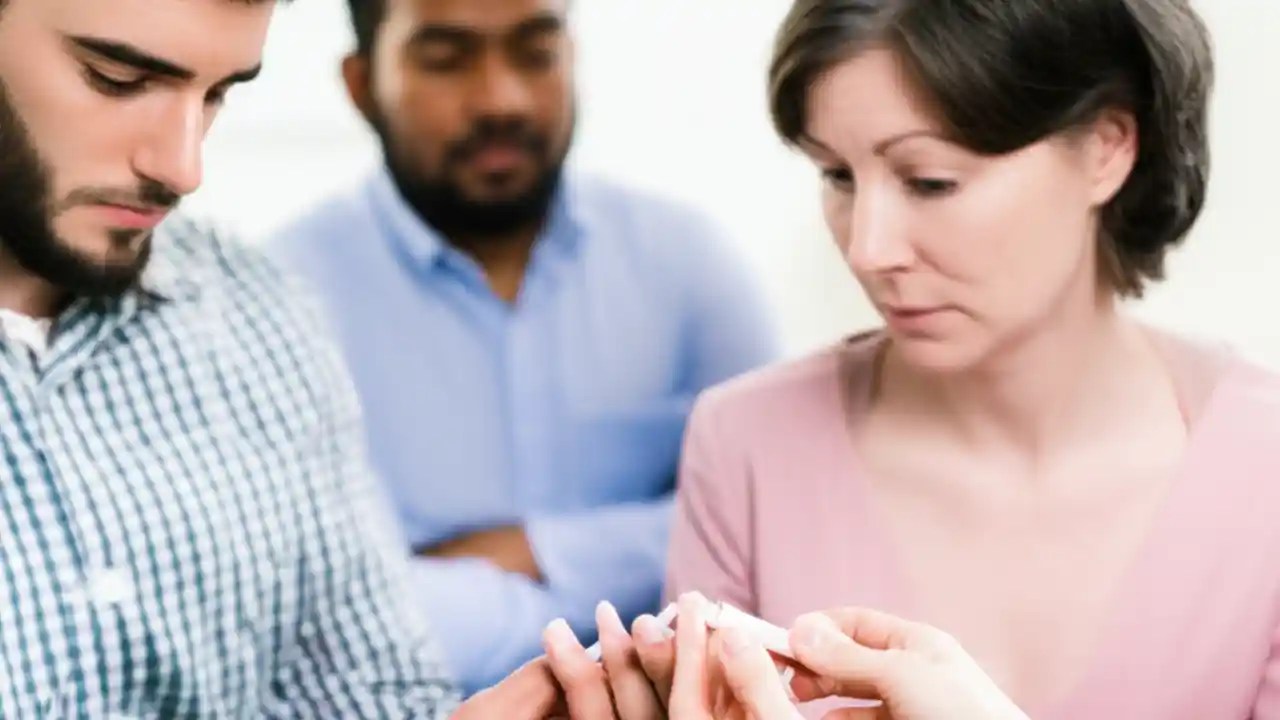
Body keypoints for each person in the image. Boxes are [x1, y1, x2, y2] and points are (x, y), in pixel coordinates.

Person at [663, 0, 1280, 717]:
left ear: (1108, 147)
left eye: (930, 181)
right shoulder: (745, 444)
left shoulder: (1264, 468)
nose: (868, 249)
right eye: (837, 175)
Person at [266, 0, 778, 693]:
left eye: (535, 53)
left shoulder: (688, 263)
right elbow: (335, 616)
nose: (500, 99)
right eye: (447, 60)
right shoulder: (282, 301)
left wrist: (533, 550)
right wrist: (649, 560)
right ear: (362, 86)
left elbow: (778, 519)